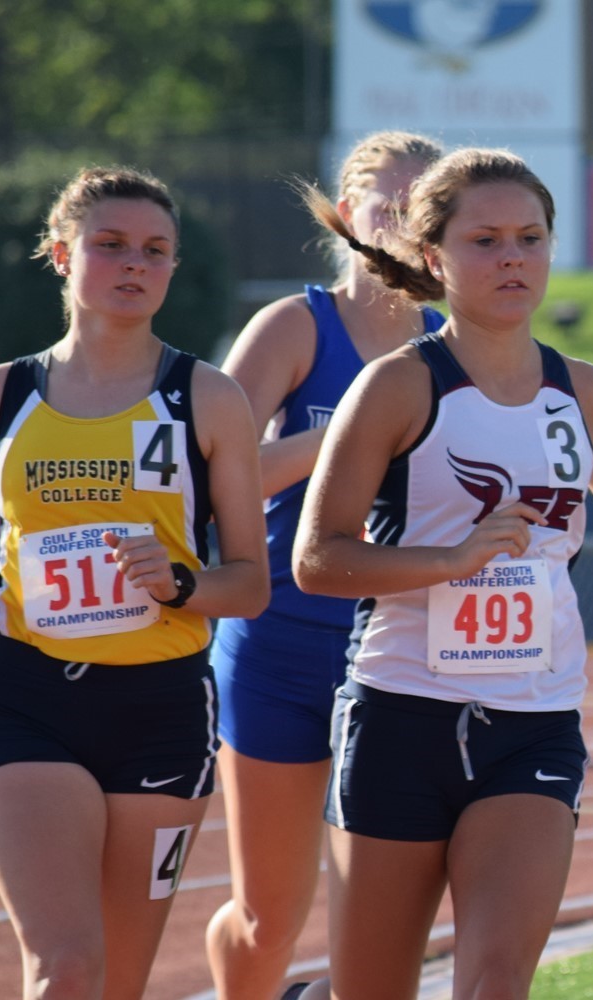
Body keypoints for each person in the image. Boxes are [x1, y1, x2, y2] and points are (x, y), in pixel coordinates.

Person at [0, 167, 269, 1000]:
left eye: (155, 251)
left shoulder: (206, 398)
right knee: (65, 966)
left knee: (118, 981)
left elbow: (248, 583)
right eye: (110, 246)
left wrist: (180, 582)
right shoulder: (0, 395)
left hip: (162, 706)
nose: (134, 264)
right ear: (62, 256)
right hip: (25, 695)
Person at [287, 147, 593, 1000]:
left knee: (494, 983)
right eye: (486, 240)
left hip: (535, 718)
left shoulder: (584, 392)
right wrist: (451, 562)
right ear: (435, 257)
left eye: (530, 237)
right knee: (371, 988)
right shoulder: (398, 389)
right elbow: (318, 558)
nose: (514, 257)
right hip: (401, 713)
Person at [204, 129, 447, 1000]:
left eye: (419, 207)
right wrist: (347, 427)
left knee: (378, 921)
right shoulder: (296, 326)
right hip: (280, 648)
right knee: (270, 916)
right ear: (348, 217)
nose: (398, 223)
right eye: (384, 204)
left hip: (403, 655)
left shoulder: (454, 345)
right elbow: (216, 470)